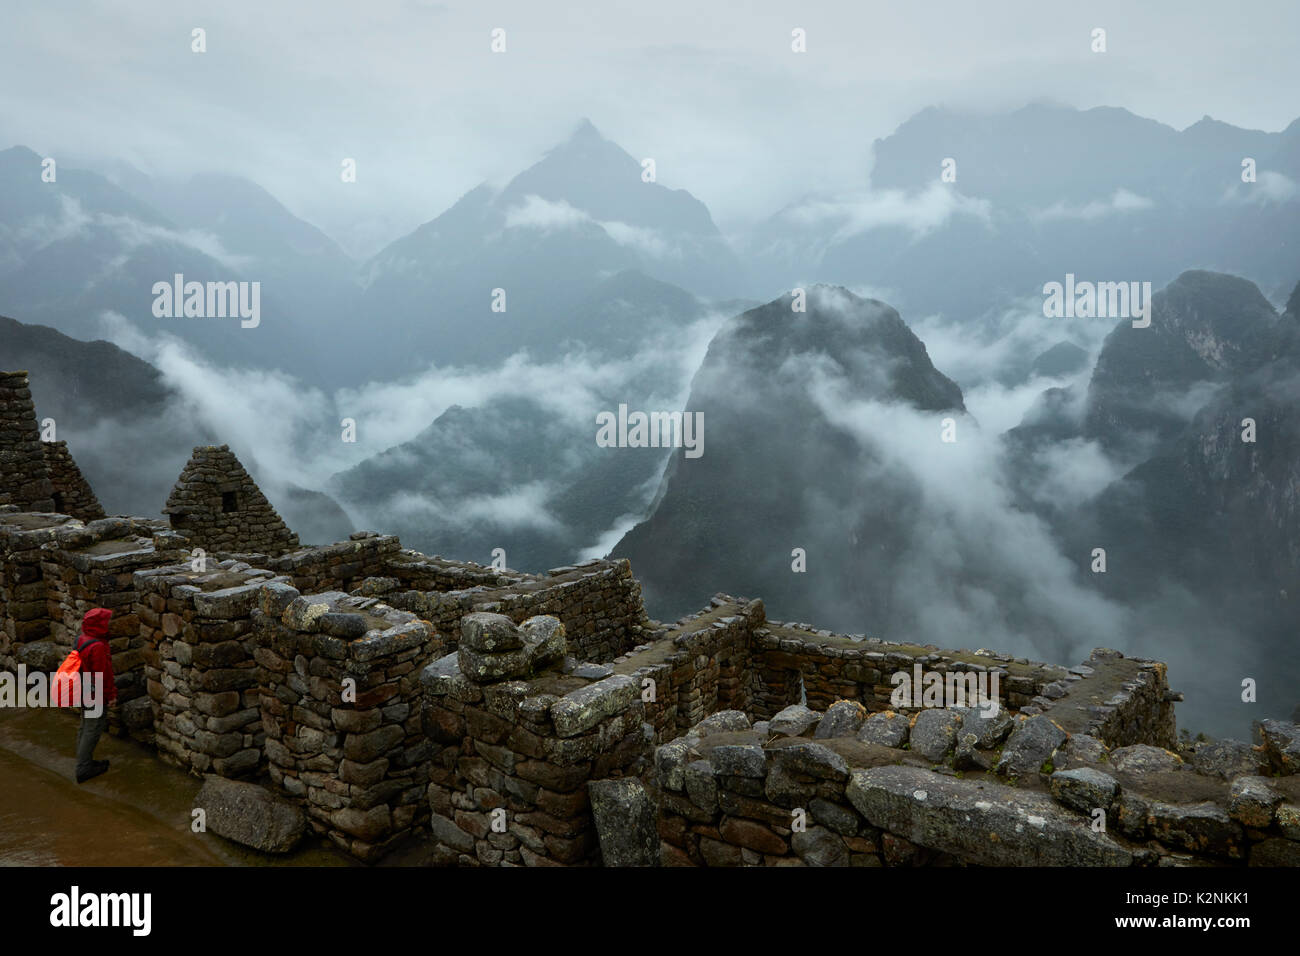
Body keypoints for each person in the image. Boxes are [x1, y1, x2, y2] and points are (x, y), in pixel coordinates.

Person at [73, 607, 116, 783]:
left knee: (85, 725)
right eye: (106, 622)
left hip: (82, 689)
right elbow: (102, 675)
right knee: (93, 727)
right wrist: (110, 695)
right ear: (99, 625)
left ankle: (84, 761)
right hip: (93, 693)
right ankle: (84, 767)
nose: (110, 625)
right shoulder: (97, 646)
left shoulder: (81, 639)